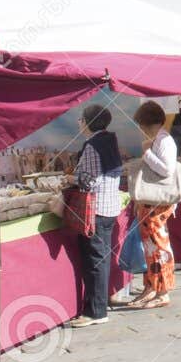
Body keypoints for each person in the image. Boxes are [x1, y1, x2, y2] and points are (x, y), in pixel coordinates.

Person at [70, 104, 123, 328]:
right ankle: (97, 306)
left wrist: (71, 179)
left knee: (95, 262)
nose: (79, 123)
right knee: (100, 260)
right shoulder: (110, 140)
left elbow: (90, 181)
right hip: (110, 206)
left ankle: (96, 311)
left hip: (97, 209)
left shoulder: (92, 145)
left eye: (81, 119)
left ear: (89, 122)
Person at [128, 101, 178, 309]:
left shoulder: (164, 141)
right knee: (149, 248)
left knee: (159, 246)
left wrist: (147, 154)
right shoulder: (157, 139)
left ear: (148, 124)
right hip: (150, 203)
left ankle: (163, 290)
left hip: (158, 203)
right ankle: (151, 286)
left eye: (141, 124)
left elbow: (166, 169)